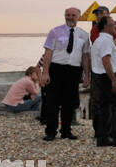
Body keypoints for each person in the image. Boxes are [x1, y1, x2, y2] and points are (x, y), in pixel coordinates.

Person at [39, 7, 91, 141]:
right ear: (64, 16)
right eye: (68, 15)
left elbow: (85, 56)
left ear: (78, 17)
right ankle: (50, 131)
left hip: (74, 71)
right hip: (56, 69)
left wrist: (87, 75)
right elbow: (48, 52)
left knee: (70, 103)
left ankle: (66, 131)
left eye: (73, 15)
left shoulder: (84, 35)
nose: (70, 17)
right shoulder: (55, 32)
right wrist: (45, 72)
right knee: (52, 102)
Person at [89, 16, 116, 147]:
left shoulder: (98, 40)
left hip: (98, 76)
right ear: (105, 27)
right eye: (113, 25)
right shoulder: (106, 41)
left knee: (104, 107)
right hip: (108, 76)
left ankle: (102, 138)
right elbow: (106, 60)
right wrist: (114, 80)